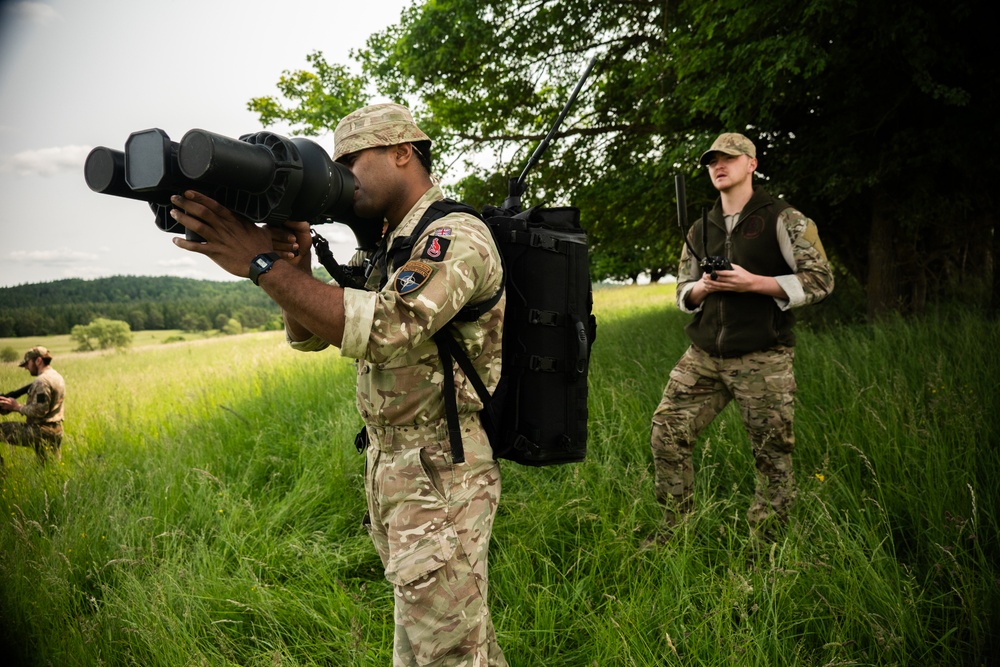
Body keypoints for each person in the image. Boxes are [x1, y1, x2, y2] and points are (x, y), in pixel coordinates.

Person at [169, 103, 508, 666]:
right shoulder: (386, 244)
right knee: (459, 642)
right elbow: (314, 335)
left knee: (440, 654)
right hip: (394, 464)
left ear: (404, 152)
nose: (342, 178)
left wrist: (259, 265)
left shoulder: (453, 235)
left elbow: (385, 327)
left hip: (442, 466)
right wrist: (292, 272)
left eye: (353, 161)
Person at [649, 132, 834, 540]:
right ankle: (675, 532)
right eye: (713, 160)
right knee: (667, 433)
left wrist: (756, 283)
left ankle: (767, 549)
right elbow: (683, 290)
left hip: (763, 356)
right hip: (704, 355)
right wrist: (703, 288)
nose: (719, 165)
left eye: (729, 158)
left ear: (751, 163)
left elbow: (821, 280)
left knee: (771, 453)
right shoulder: (700, 227)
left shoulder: (784, 218)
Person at [0, 346, 66, 466]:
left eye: (27, 363)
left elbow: (40, 411)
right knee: (49, 469)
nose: (26, 367)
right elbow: (43, 405)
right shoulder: (56, 376)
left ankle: (2, 473)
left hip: (41, 430)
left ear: (38, 361)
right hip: (56, 430)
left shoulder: (42, 381)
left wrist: (16, 407)